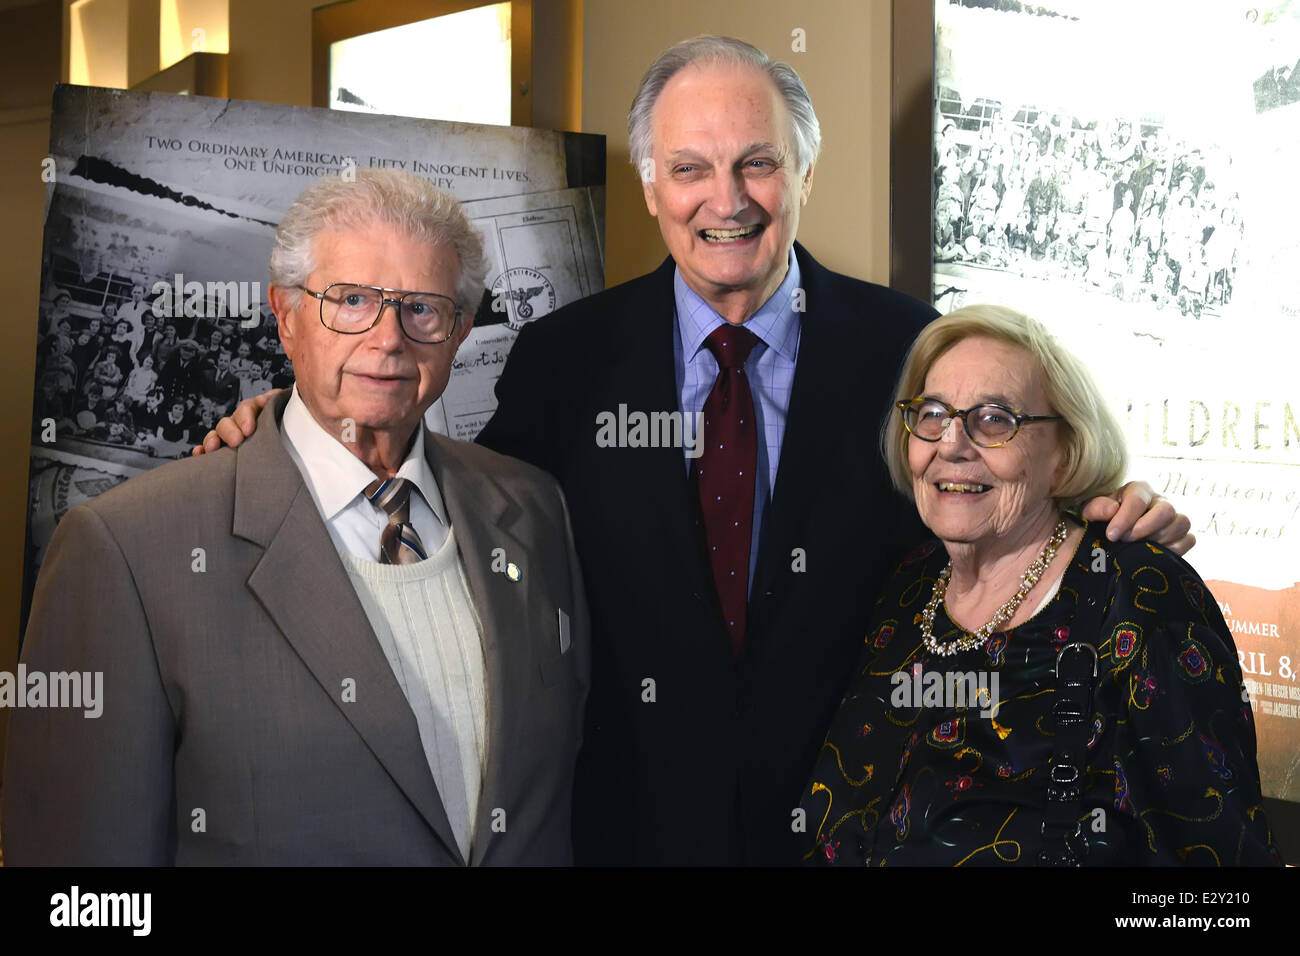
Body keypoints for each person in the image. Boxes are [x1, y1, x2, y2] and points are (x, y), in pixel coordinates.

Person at [199, 36, 1190, 866]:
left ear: (803, 170)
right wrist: (292, 431)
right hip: (624, 838)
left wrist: (1094, 514)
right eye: (690, 167)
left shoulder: (907, 348)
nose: (728, 199)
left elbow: (985, 505)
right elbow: (457, 503)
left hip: (851, 835)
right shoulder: (565, 360)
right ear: (649, 183)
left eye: (757, 161)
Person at [3, 170, 590, 866]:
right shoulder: (126, 550)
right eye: (350, 301)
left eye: (422, 309)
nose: (388, 338)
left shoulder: (531, 505)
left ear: (460, 330)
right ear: (286, 316)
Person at [800, 305, 1280, 866]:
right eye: (933, 413)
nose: (951, 444)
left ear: (1066, 453)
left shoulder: (1138, 596)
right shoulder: (908, 587)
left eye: (996, 419)